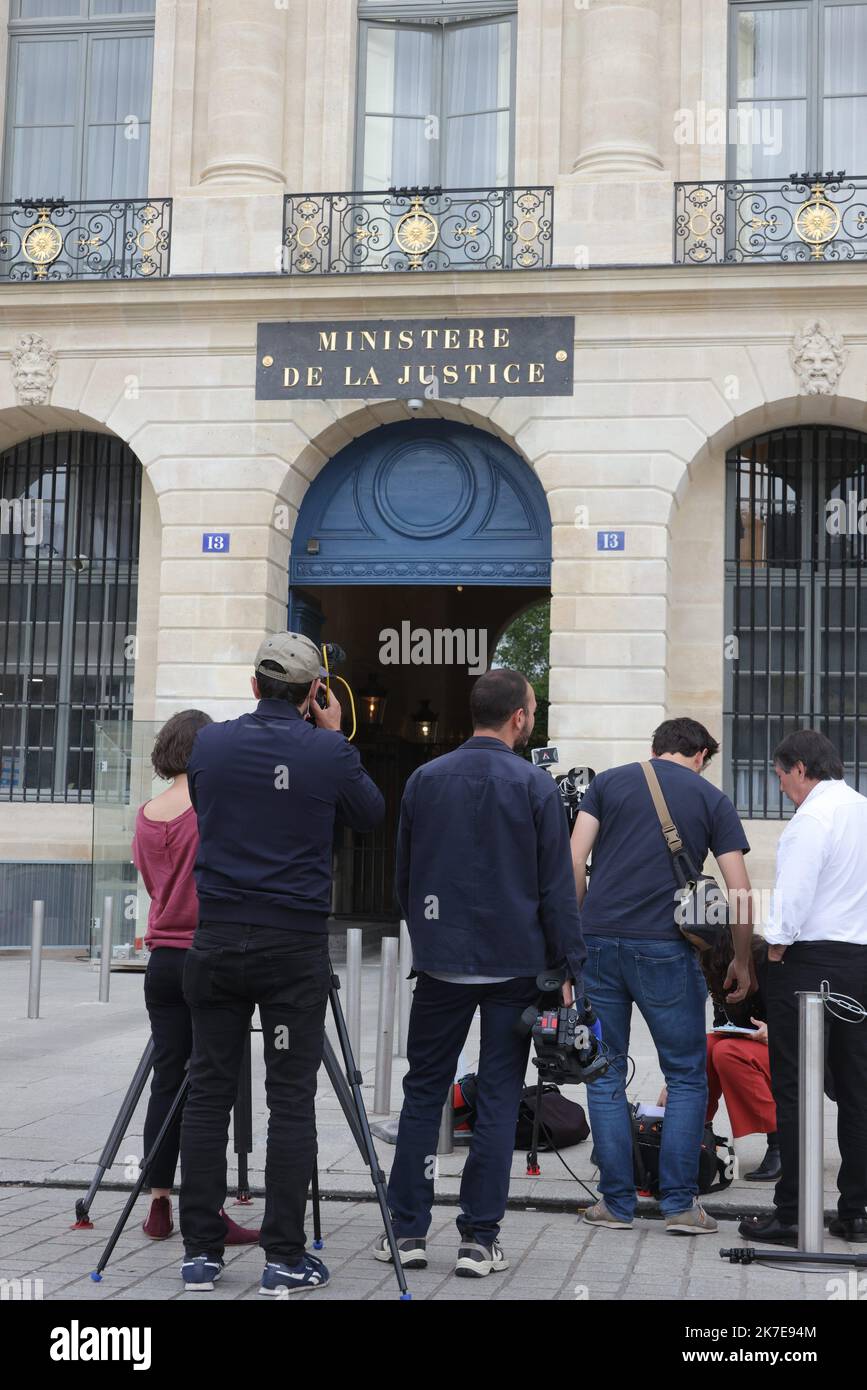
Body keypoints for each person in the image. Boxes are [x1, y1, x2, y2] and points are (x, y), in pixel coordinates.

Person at [178, 632, 385, 1293]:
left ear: (254, 685)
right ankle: (283, 1259)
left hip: (215, 939)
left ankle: (200, 1253)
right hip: (291, 947)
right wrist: (336, 735)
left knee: (208, 1090)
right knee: (289, 1100)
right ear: (314, 692)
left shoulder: (210, 744)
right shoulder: (326, 749)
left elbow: (211, 806)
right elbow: (370, 813)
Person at [376, 668, 586, 1278]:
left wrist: (430, 936)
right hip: (515, 965)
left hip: (442, 965)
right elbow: (556, 888)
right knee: (497, 1099)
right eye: (532, 710)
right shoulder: (535, 786)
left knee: (423, 1093)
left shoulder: (424, 779)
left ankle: (407, 1231)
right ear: (519, 717)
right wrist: (569, 964)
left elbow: (404, 877)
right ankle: (478, 1238)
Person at [570, 717, 754, 1235]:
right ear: (700, 755)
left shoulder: (608, 783)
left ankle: (615, 1204)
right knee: (686, 1075)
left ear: (655, 748)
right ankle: (679, 1207)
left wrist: (577, 933)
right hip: (667, 949)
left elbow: (574, 859)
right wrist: (741, 959)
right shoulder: (712, 799)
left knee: (604, 1074)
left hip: (599, 943)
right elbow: (739, 888)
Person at [132, 708, 260, 1246]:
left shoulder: (146, 814)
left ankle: (158, 1203)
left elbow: (152, 885)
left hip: (161, 959)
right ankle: (209, 1210)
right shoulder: (207, 809)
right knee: (211, 1087)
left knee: (168, 1079)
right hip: (205, 954)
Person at [739, 729, 867, 1248]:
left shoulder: (812, 818)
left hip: (810, 960)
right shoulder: (862, 810)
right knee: (858, 1089)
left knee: (794, 1086)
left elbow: (792, 896)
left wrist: (774, 948)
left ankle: (793, 1212)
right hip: (859, 960)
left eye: (779, 776)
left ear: (799, 768)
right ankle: (857, 1212)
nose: (780, 787)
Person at [700, 932, 779, 1181]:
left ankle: (783, 1141)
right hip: (752, 1046)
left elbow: (803, 1015)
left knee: (727, 1052)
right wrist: (677, 1081)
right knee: (705, 1047)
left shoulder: (768, 959)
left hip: (789, 1050)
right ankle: (699, 1132)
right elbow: (721, 1025)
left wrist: (774, 1030)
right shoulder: (714, 965)